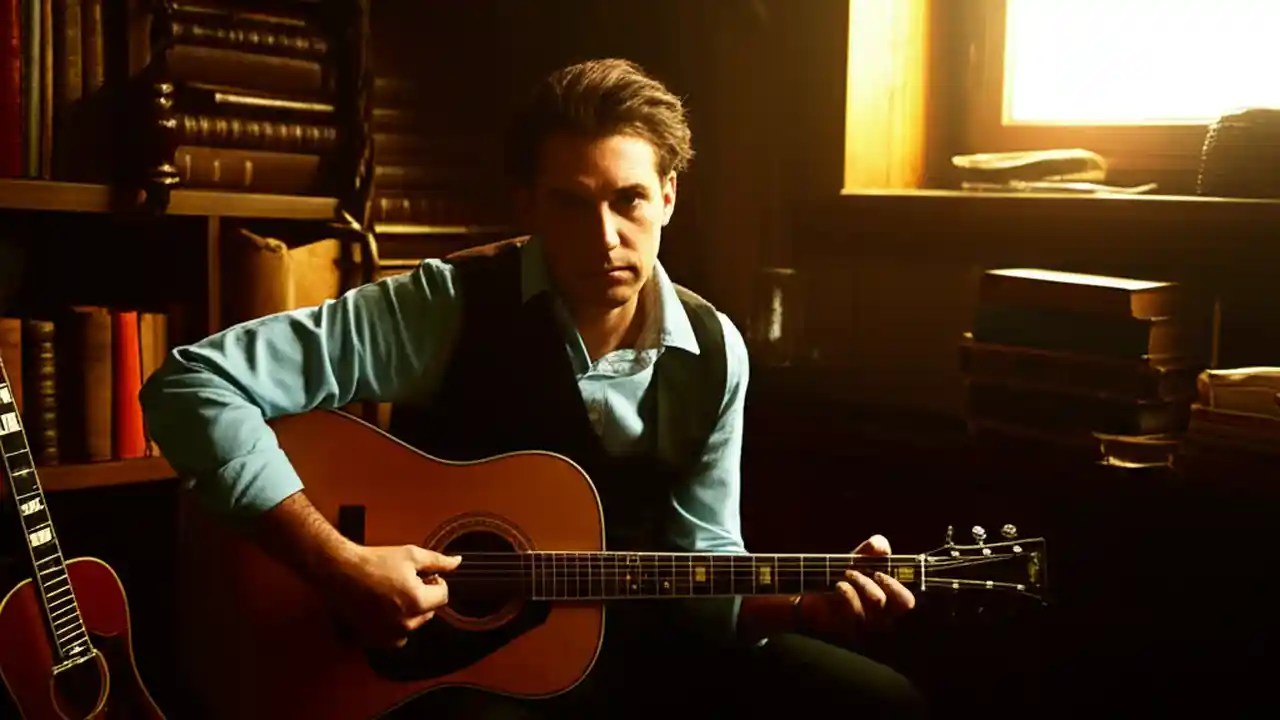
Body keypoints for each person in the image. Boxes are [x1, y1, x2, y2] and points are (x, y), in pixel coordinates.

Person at [140, 58, 926, 718]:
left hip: (640, 657)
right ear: (527, 205)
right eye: (571, 203)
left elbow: (702, 564)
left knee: (882, 703)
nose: (604, 237)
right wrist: (334, 562)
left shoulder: (716, 350)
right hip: (448, 667)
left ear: (669, 196)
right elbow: (192, 383)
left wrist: (801, 606)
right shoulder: (446, 305)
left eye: (628, 200)